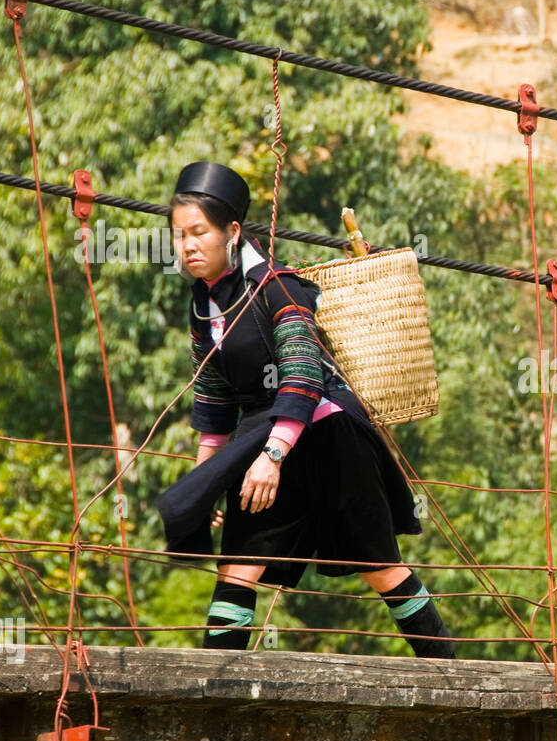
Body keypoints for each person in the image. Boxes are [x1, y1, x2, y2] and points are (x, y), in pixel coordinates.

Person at [155, 161, 455, 658]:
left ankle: (449, 672)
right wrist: (205, 478)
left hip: (326, 431)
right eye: (178, 235)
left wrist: (272, 457)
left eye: (198, 232)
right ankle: (214, 688)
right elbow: (212, 395)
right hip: (261, 434)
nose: (186, 246)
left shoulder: (278, 286)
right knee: (238, 565)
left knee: (379, 564)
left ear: (231, 233)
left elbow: (303, 374)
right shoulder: (202, 305)